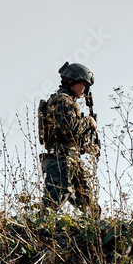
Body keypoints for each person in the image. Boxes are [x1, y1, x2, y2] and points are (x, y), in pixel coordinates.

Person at [40, 62, 101, 219]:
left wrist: (85, 148)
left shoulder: (68, 102)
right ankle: (38, 235)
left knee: (89, 205)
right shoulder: (62, 100)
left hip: (71, 160)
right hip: (60, 162)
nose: (85, 90)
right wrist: (88, 121)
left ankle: (93, 238)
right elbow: (70, 128)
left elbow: (67, 138)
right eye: (84, 84)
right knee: (50, 207)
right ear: (72, 81)